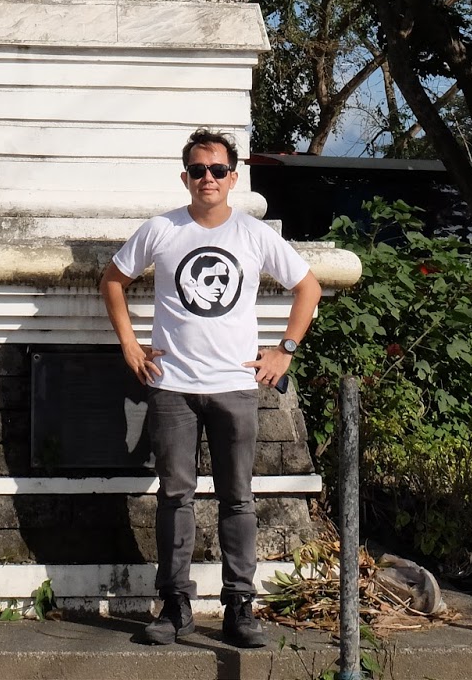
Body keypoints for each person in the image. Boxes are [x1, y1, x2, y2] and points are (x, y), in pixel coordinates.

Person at [99, 128, 322, 648]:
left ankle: (240, 607)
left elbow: (307, 287)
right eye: (198, 170)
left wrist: (283, 350)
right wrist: (130, 346)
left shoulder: (253, 235)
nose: (208, 179)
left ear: (233, 177)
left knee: (237, 499)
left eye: (218, 170)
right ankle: (173, 606)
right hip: (172, 384)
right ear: (186, 177)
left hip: (235, 386)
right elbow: (113, 280)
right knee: (175, 496)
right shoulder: (160, 230)